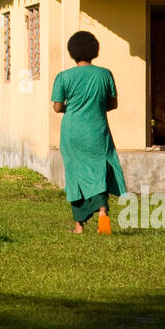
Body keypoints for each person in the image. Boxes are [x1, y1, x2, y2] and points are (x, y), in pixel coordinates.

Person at [51, 30, 127, 235]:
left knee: (75, 173)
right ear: (95, 51)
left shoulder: (63, 77)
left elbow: (57, 107)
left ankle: (79, 225)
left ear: (72, 52)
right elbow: (112, 103)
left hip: (72, 132)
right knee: (99, 171)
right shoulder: (105, 74)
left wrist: (73, 106)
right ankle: (103, 212)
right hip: (97, 130)